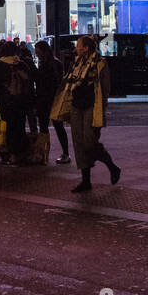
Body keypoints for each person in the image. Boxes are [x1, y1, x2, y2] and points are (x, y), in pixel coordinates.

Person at [51, 34, 119, 192]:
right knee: (78, 142)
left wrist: (102, 105)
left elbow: (105, 88)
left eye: (78, 45)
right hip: (76, 105)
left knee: (89, 141)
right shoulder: (76, 63)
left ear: (86, 48)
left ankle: (111, 165)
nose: (76, 47)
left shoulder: (99, 63)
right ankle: (85, 180)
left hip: (91, 105)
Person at [0, 41, 35, 163]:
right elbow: (30, 82)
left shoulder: (0, 65)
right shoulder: (21, 64)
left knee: (8, 128)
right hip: (21, 101)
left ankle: (10, 154)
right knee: (20, 126)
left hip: (6, 101)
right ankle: (20, 153)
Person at [34, 39, 70, 163]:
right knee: (57, 127)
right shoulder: (54, 63)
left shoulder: (47, 64)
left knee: (46, 127)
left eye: (38, 52)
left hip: (47, 99)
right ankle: (63, 153)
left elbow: (47, 82)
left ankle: (44, 154)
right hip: (52, 99)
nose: (37, 55)